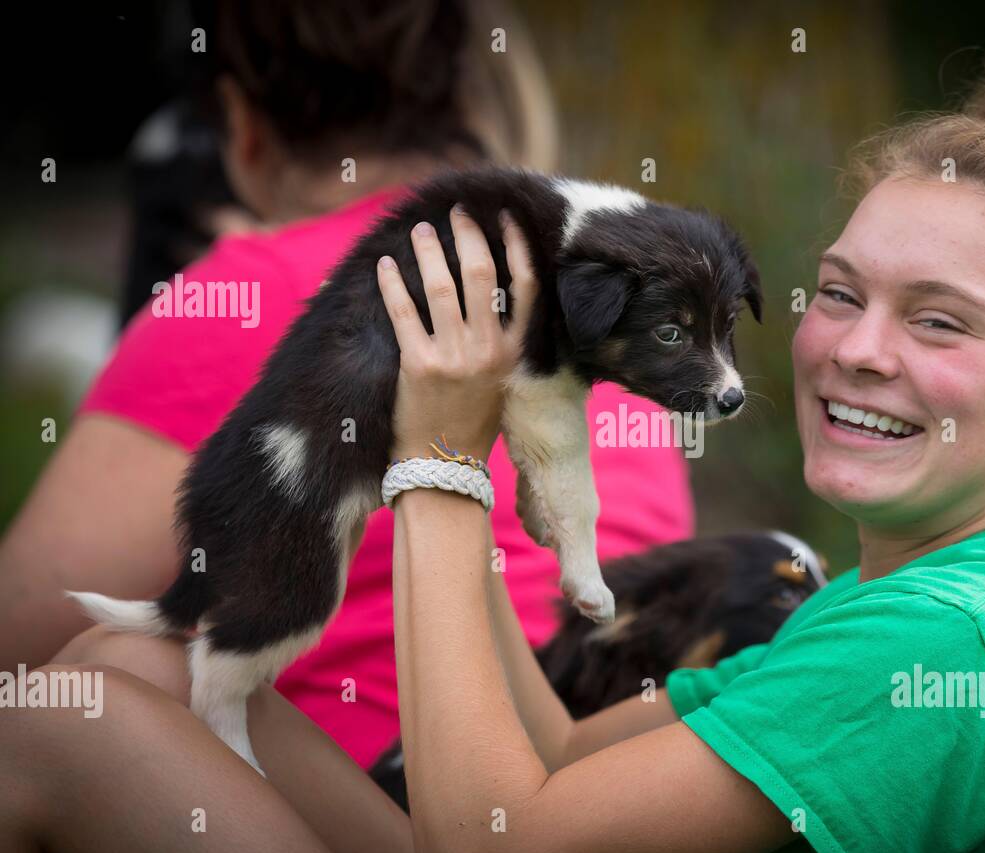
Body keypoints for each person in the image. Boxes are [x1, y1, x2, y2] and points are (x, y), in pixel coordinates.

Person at [0, 32, 985, 853]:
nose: (855, 349)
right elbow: (554, 759)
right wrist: (477, 430)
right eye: (838, 291)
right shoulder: (900, 599)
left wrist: (432, 472)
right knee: (127, 661)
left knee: (52, 729)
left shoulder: (952, 645)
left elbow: (499, 835)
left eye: (937, 321)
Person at [0, 0, 693, 771]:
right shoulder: (604, 297)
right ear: (473, 96)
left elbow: (18, 642)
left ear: (243, 127)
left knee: (65, 705)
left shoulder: (244, 291)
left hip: (392, 799)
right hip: (603, 779)